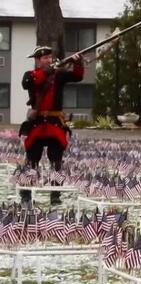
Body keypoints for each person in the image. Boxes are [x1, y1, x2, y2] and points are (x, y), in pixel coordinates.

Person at [19, 46, 84, 205]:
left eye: (50, 57)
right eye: (45, 58)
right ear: (37, 60)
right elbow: (29, 82)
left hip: (55, 124)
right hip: (37, 124)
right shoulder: (30, 75)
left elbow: (77, 76)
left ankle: (55, 194)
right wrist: (47, 72)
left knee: (56, 161)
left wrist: (78, 62)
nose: (48, 60)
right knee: (32, 160)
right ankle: (26, 194)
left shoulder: (59, 75)